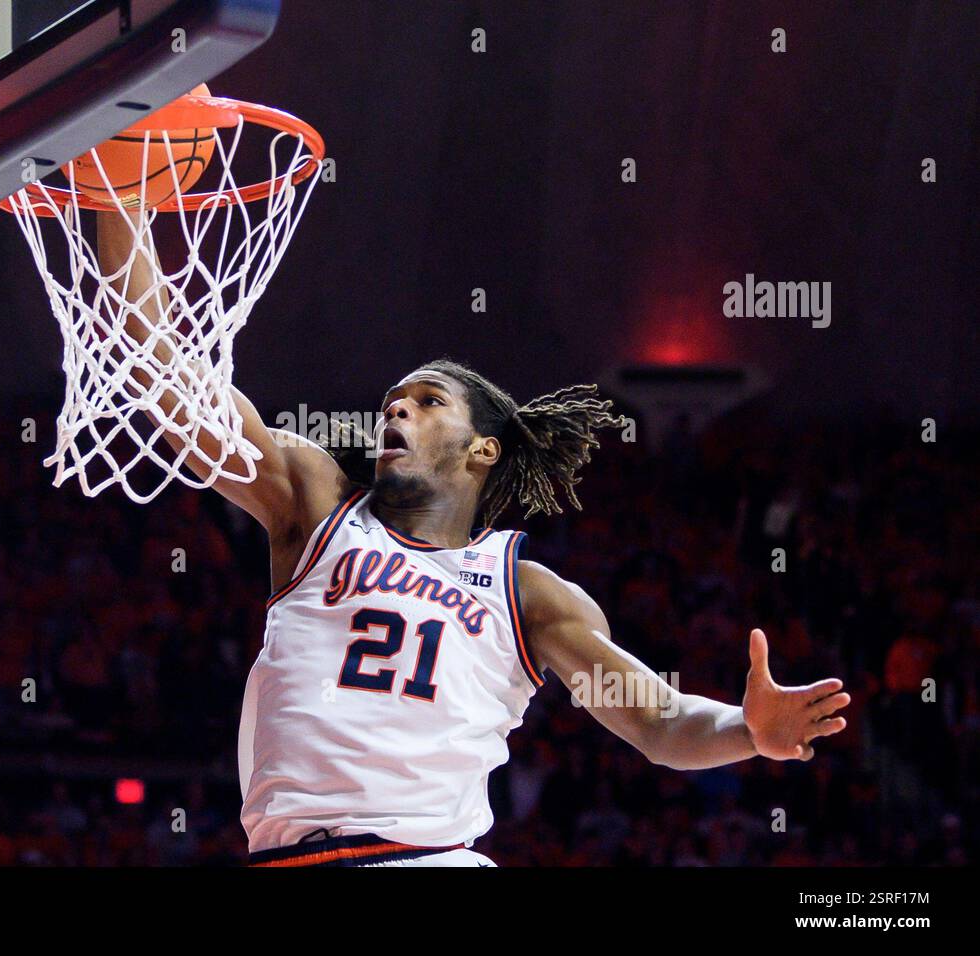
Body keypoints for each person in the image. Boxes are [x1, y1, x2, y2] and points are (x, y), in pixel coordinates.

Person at [95, 211, 851, 867]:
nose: (396, 413)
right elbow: (169, 381)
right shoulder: (314, 502)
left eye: (427, 403)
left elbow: (655, 720)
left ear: (482, 449)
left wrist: (747, 731)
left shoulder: (527, 590)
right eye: (391, 403)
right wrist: (120, 194)